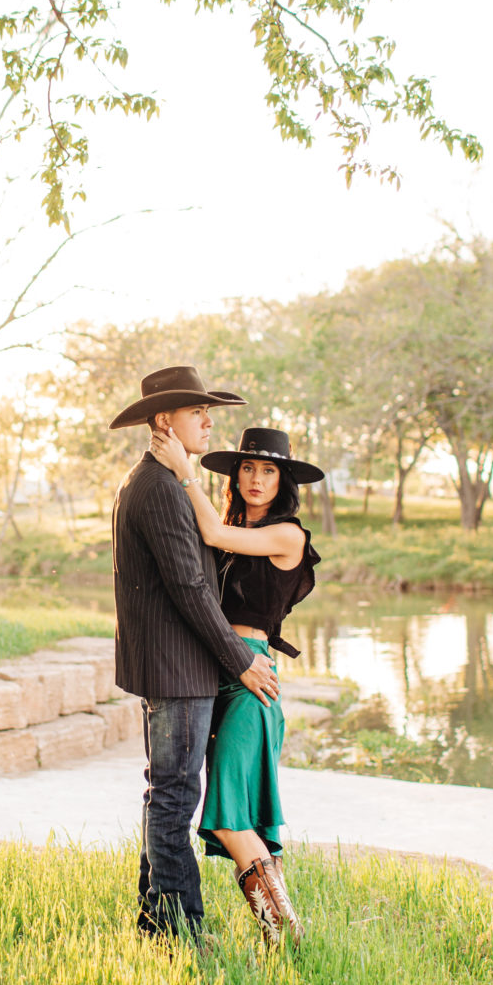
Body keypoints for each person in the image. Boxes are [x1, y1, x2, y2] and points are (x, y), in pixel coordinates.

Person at [109, 366, 282, 944]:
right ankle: (180, 931)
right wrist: (239, 658)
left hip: (181, 667)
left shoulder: (163, 480)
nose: (209, 422)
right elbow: (188, 587)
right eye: (196, 412)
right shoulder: (156, 487)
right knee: (174, 797)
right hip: (179, 669)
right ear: (164, 420)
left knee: (168, 793)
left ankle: (156, 920)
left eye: (209, 412)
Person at [149, 424, 323, 946]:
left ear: (282, 482)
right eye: (247, 467)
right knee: (231, 813)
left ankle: (287, 936)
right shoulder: (225, 522)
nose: (255, 478)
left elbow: (215, 536)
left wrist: (184, 473)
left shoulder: (288, 534)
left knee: (227, 816)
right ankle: (283, 935)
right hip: (215, 672)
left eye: (268, 471)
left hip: (251, 678)